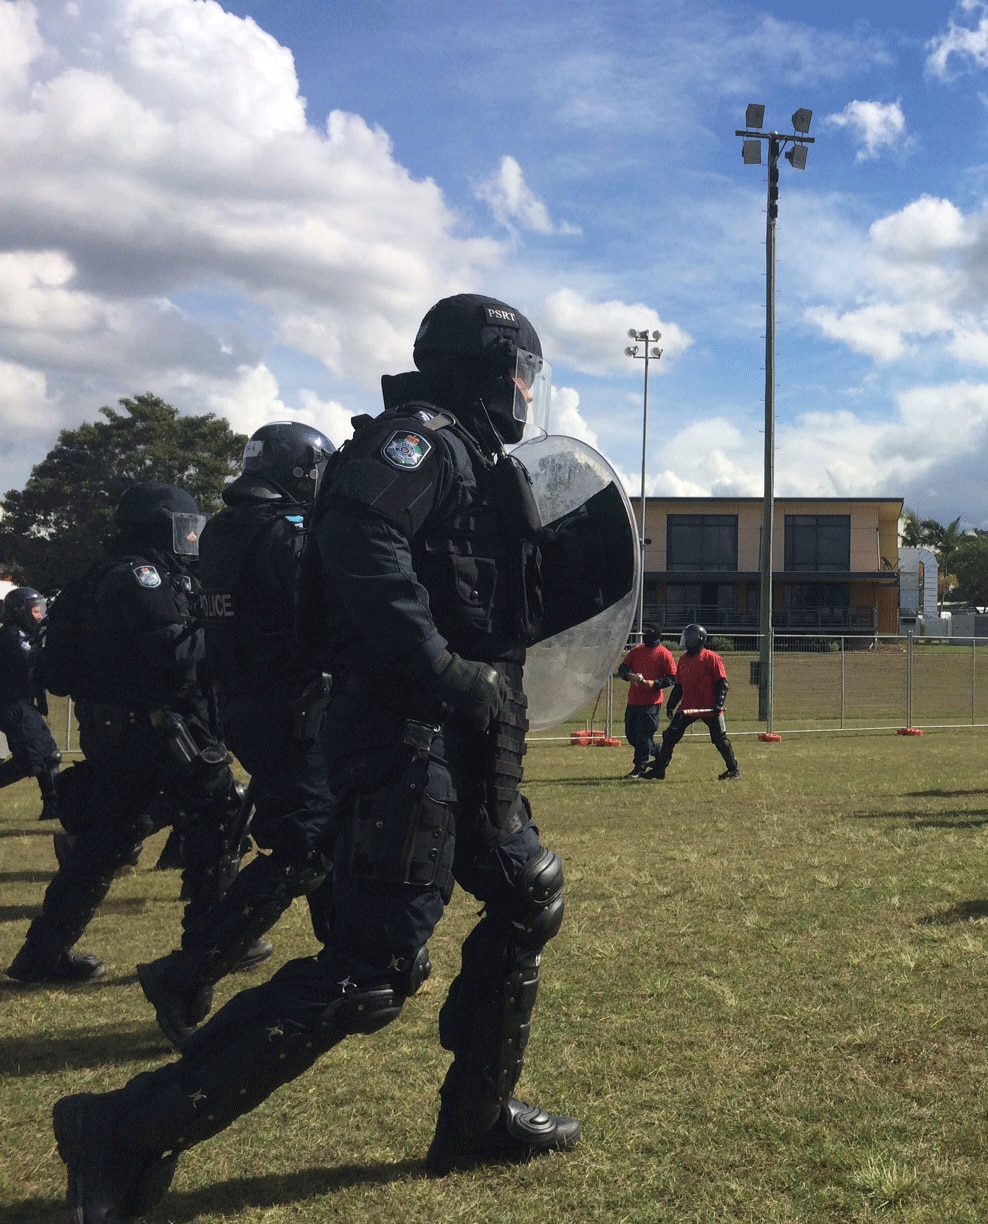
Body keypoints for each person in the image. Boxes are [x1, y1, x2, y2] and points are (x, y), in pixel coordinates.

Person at [53, 294, 594, 1220]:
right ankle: (120, 1128)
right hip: (407, 736)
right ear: (490, 364)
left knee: (524, 892)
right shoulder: (414, 442)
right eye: (525, 371)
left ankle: (475, 1115)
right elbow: (361, 539)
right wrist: (435, 664)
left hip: (473, 735)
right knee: (373, 967)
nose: (529, 391)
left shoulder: (473, 455)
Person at [137, 422, 340, 1047]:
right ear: (303, 471)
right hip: (294, 706)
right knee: (305, 844)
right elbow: (328, 613)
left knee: (327, 832)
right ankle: (186, 972)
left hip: (249, 705)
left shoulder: (226, 529)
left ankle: (350, 963)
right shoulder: (290, 533)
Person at [6, 483, 242, 985]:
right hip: (157, 730)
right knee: (220, 813)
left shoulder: (92, 580)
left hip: (117, 732)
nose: (192, 538)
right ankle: (215, 941)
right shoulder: (143, 577)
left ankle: (41, 954)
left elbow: (58, 672)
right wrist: (225, 630)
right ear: (159, 527)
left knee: (107, 839)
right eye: (185, 528)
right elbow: (176, 653)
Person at [642, 623, 739, 780]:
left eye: (691, 638)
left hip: (709, 708)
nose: (687, 641)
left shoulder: (712, 658)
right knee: (670, 736)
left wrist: (718, 704)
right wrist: (671, 704)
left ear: (700, 639)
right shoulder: (683, 660)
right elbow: (679, 686)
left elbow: (722, 684)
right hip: (688, 706)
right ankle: (660, 769)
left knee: (720, 739)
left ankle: (733, 770)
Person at [0, 587, 61, 822]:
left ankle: (53, 805)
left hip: (24, 704)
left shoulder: (26, 636)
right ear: (21, 611)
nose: (39, 616)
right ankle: (53, 804)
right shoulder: (12, 636)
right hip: (12, 705)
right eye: (35, 611)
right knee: (30, 760)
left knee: (49, 754)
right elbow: (30, 664)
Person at [616, 625, 676, 778]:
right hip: (634, 701)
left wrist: (654, 683)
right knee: (631, 735)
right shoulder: (636, 651)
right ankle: (659, 751)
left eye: (648, 632)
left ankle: (640, 766)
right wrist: (630, 676)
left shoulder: (664, 654)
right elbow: (622, 669)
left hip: (652, 703)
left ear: (656, 634)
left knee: (643, 735)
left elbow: (672, 678)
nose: (645, 635)